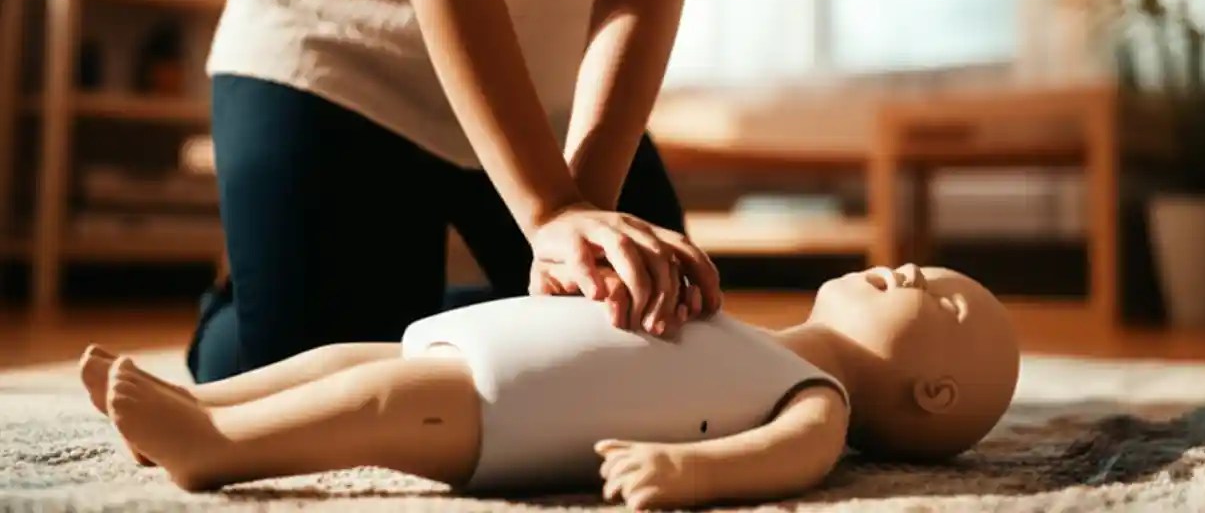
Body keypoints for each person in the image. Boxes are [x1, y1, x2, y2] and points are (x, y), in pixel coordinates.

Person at [190, 0, 773, 382]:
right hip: (341, 56)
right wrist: (552, 209)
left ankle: (425, 320)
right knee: (323, 389)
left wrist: (585, 223)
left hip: (553, 96)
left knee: (655, 361)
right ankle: (240, 315)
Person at [82, 265, 1021, 510]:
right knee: (345, 361)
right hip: (494, 346)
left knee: (378, 409)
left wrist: (686, 473)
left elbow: (794, 458)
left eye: (941, 298)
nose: (910, 269)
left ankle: (217, 451)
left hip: (512, 409)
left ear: (933, 394)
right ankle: (202, 403)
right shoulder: (755, 337)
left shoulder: (815, 394)